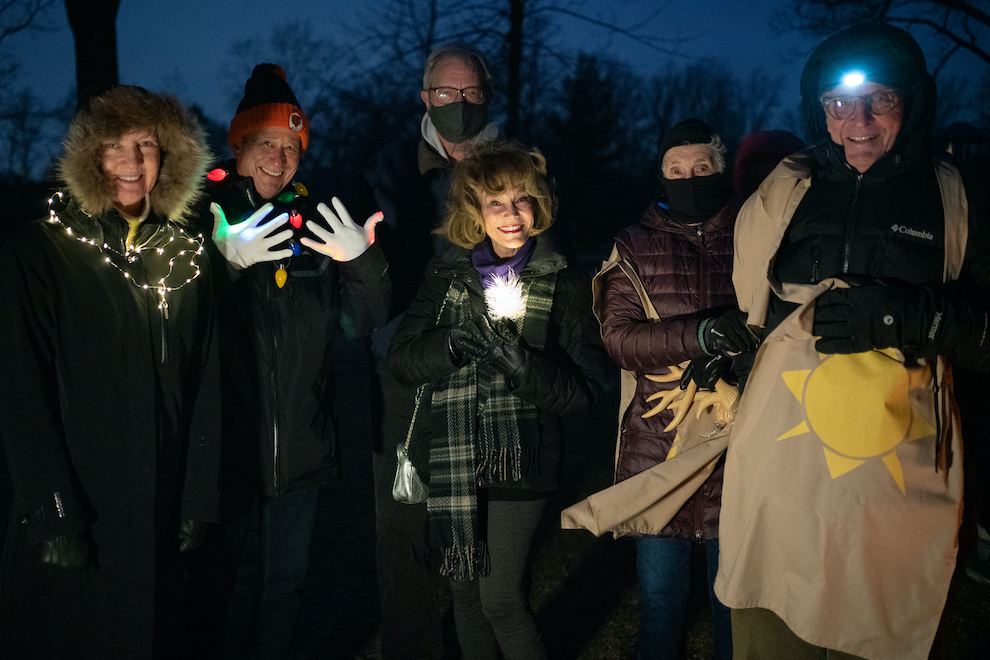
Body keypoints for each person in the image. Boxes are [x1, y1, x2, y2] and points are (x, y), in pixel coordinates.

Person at [716, 23, 990, 660]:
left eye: (879, 100)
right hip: (783, 484)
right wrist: (732, 357)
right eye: (838, 103)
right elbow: (753, 312)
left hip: (894, 495)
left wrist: (910, 318)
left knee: (879, 630)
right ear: (819, 109)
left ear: (911, 102)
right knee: (772, 628)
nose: (857, 121)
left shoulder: (959, 200)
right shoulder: (785, 194)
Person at [0, 85, 219, 659]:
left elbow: (205, 385)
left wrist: (198, 498)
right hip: (81, 508)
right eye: (114, 144)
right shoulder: (38, 253)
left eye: (146, 143)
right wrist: (54, 514)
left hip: (159, 510)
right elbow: (20, 393)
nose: (132, 160)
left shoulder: (185, 258)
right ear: (87, 156)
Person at [193, 63, 389, 659]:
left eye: (291, 147)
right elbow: (174, 324)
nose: (279, 159)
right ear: (239, 145)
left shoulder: (314, 222)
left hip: (301, 448)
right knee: (221, 591)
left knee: (285, 588)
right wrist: (222, 263)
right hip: (227, 451)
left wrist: (362, 262)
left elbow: (360, 322)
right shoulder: (201, 213)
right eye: (266, 144)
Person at [387, 139, 609, 660]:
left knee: (501, 600)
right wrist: (450, 345)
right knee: (466, 598)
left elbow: (589, 391)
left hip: (521, 459)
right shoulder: (446, 277)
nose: (511, 214)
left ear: (538, 204)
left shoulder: (565, 282)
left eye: (521, 199)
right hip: (453, 457)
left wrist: (523, 367)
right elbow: (401, 359)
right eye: (495, 202)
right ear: (475, 211)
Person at [355, 43, 499, 660]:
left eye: (469, 93)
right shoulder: (386, 170)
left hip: (483, 367)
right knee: (401, 527)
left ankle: (481, 642)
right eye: (444, 93)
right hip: (402, 370)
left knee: (477, 521)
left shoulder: (515, 166)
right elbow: (362, 273)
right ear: (424, 97)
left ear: (486, 95)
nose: (457, 104)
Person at [598, 119, 756, 660]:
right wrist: (701, 336)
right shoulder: (633, 244)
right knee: (661, 599)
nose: (689, 177)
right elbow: (619, 339)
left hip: (738, 446)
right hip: (660, 445)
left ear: (722, 169)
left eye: (702, 166)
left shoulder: (753, 234)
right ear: (661, 175)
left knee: (733, 600)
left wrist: (740, 355)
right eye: (676, 169)